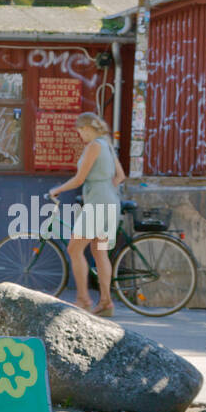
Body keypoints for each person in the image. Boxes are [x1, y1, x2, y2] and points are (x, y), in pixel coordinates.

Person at [49, 112, 125, 317]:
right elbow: (121, 176)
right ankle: (106, 302)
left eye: (80, 131)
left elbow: (79, 179)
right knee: (100, 251)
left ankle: (83, 300)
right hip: (111, 202)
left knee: (74, 248)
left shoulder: (93, 146)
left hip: (97, 203)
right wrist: (105, 188)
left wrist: (57, 190)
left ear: (87, 128)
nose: (80, 135)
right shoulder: (107, 145)